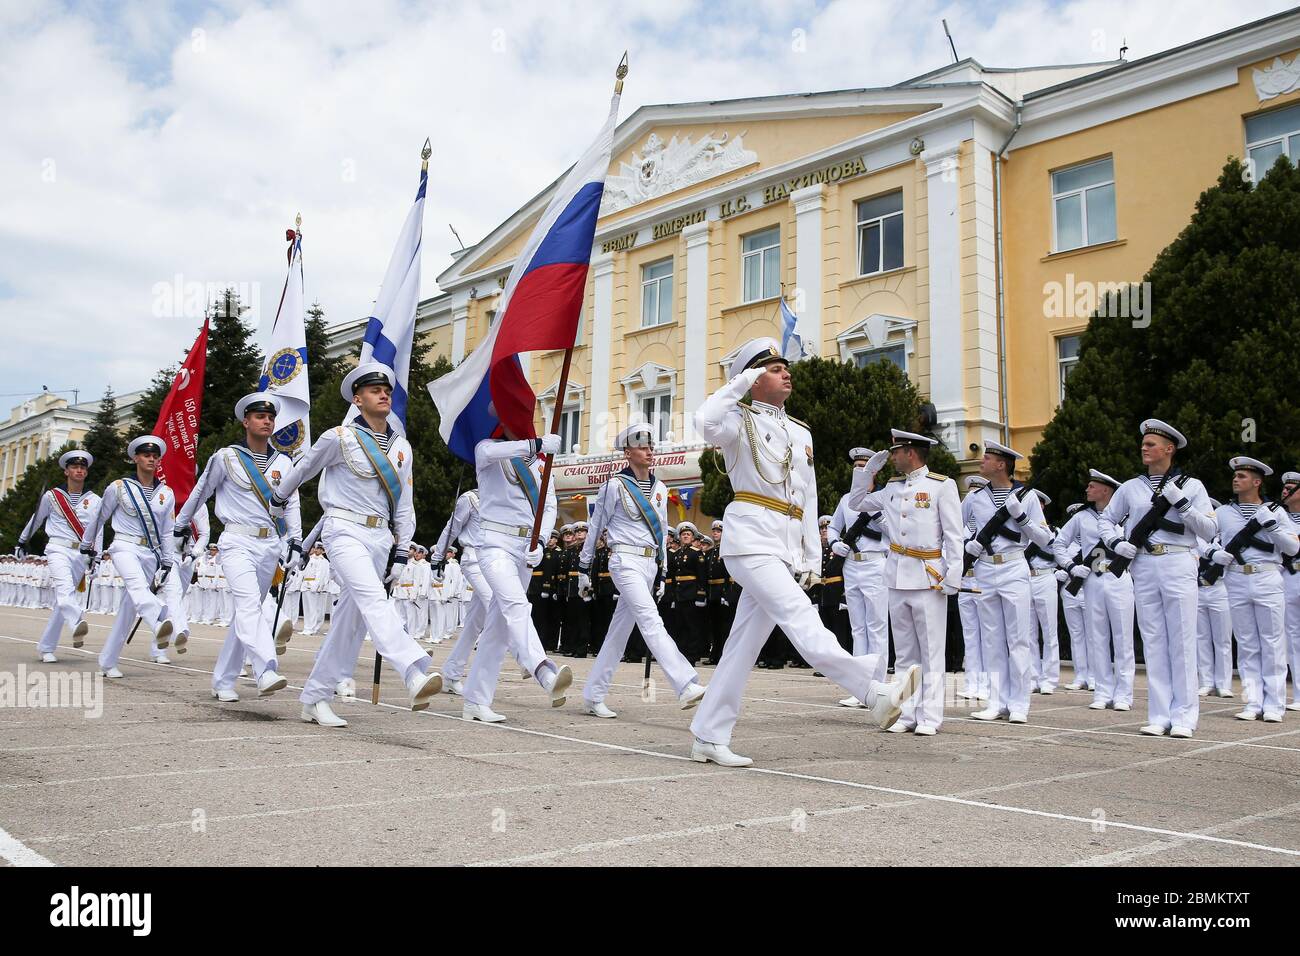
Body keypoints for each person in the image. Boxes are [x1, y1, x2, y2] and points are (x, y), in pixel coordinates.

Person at [689, 339, 918, 766]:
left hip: (785, 542)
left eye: (784, 367)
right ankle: (871, 690)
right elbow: (704, 421)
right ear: (754, 378)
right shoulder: (737, 419)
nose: (786, 373)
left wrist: (811, 558)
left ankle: (708, 734)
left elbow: (808, 499)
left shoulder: (799, 429)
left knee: (742, 647)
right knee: (800, 616)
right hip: (751, 537)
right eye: (774, 369)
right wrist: (738, 383)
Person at [271, 363, 442, 727]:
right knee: (371, 597)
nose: (384, 395)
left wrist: (401, 549)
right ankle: (412, 670)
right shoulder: (340, 437)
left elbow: (405, 503)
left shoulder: (401, 447)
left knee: (351, 622)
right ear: (357, 398)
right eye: (374, 390)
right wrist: (279, 497)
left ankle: (315, 698)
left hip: (381, 537)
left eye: (387, 391)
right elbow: (304, 469)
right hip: (343, 528)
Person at [175, 393, 302, 701]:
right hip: (236, 541)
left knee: (248, 613)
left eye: (270, 417)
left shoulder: (283, 462)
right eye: (260, 416)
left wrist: (296, 540)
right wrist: (180, 525)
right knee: (248, 607)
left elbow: (292, 503)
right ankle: (265, 669)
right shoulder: (226, 457)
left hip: (269, 544)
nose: (267, 421)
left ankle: (222, 680)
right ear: (246, 421)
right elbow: (200, 492)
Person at [577, 423, 706, 718]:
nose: (650, 451)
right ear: (628, 452)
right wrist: (584, 566)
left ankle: (593, 695)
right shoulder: (614, 486)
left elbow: (661, 530)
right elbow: (597, 527)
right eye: (643, 447)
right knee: (651, 620)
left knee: (617, 634)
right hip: (624, 561)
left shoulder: (661, 488)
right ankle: (685, 683)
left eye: (651, 446)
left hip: (649, 564)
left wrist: (662, 570)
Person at [1097, 420, 1217, 738]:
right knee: (1153, 641)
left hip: (1179, 561)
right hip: (1144, 564)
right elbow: (1106, 521)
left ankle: (1184, 717)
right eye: (1144, 443)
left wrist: (1183, 504)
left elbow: (1209, 530)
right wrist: (1115, 543)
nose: (1144, 448)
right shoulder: (1130, 488)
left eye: (1151, 443)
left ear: (1169, 449)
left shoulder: (1192, 486)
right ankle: (1159, 714)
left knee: (1181, 641)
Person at [849, 429, 963, 734]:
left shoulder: (942, 486)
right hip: (898, 575)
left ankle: (930, 717)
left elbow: (954, 535)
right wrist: (866, 472)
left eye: (895, 451)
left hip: (929, 577)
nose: (892, 456)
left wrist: (953, 576)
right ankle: (907, 714)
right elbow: (856, 502)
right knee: (906, 654)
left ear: (910, 452)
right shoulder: (891, 487)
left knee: (931, 651)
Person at [459, 419, 573, 723]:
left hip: (525, 548)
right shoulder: (489, 450)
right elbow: (487, 453)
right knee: (516, 605)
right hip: (494, 543)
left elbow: (549, 506)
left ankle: (476, 700)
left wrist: (542, 539)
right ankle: (541, 667)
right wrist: (537, 445)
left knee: (497, 625)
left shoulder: (539, 466)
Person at [961, 441, 1054, 725]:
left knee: (1018, 639)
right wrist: (970, 545)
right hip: (985, 569)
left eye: (987, 458)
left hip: (1014, 566)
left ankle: (1019, 703)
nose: (982, 461)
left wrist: (1022, 517)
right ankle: (996, 701)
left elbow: (1045, 539)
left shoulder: (1024, 497)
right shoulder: (975, 498)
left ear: (1001, 464)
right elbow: (955, 527)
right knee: (992, 639)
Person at [80, 435, 184, 678]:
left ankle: (107, 661)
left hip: (151, 553)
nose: (151, 459)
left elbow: (168, 529)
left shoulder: (165, 493)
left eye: (155, 456)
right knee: (138, 587)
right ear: (136, 458)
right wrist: (87, 546)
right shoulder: (118, 488)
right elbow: (99, 519)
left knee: (128, 609)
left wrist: (167, 560)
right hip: (124, 546)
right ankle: (159, 619)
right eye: (146, 455)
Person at [1209, 457, 1298, 722]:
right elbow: (1202, 539)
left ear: (1257, 482)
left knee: (1272, 642)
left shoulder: (1276, 511)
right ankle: (1253, 701)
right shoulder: (1223, 512)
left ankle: (1274, 704)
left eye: (1243, 476)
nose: (1236, 480)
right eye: (1235, 476)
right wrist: (1213, 553)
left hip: (1267, 578)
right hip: (1236, 579)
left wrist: (1271, 525)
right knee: (1247, 644)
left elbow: (1293, 548)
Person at [1053, 470, 1135, 711]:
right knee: (1096, 637)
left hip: (1119, 578)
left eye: (1092, 486)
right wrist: (1070, 566)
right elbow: (1058, 543)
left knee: (1122, 639)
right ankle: (1102, 691)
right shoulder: (1081, 518)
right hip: (1092, 580)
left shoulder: (1127, 518)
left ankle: (1124, 694)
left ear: (1106, 491)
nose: (1087, 490)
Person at [21, 449, 102, 662]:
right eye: (75, 467)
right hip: (57, 548)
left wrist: (97, 556)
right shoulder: (53, 496)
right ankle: (77, 622)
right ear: (66, 471)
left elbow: (98, 529)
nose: (79, 470)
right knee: (65, 589)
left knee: (62, 603)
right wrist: (22, 540)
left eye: (82, 467)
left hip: (81, 553)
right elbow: (36, 519)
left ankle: (46, 647)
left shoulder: (94, 499)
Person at [828, 448, 891, 706]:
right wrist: (834, 543)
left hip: (875, 564)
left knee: (876, 626)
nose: (858, 471)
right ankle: (859, 687)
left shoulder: (883, 497)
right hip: (851, 565)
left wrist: (877, 514)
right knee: (858, 628)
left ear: (873, 471)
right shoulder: (846, 500)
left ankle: (878, 685)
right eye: (856, 467)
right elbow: (833, 526)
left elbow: (894, 530)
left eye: (863, 467)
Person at [1195, 506, 1235, 698]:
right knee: (1201, 637)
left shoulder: (1227, 538)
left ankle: (1224, 683)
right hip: (1198, 588)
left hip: (1220, 588)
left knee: (1222, 639)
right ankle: (1206, 681)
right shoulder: (1196, 538)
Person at [1026, 489, 1061, 695]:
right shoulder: (1020, 531)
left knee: (1049, 631)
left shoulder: (1053, 531)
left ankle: (1050, 678)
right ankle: (1032, 676)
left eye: (1038, 504)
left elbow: (1061, 553)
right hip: (1025, 578)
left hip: (1045, 577)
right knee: (1028, 632)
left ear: (1043, 506)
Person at [957, 475, 989, 701]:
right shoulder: (961, 529)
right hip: (964, 582)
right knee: (970, 634)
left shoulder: (987, 529)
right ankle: (972, 682)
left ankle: (987, 683)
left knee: (988, 635)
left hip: (981, 579)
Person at [1281, 471, 1300, 712]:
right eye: (1285, 488)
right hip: (1287, 576)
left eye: (1292, 488)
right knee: (1291, 638)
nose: (1286, 491)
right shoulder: (1279, 517)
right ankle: (1298, 693)